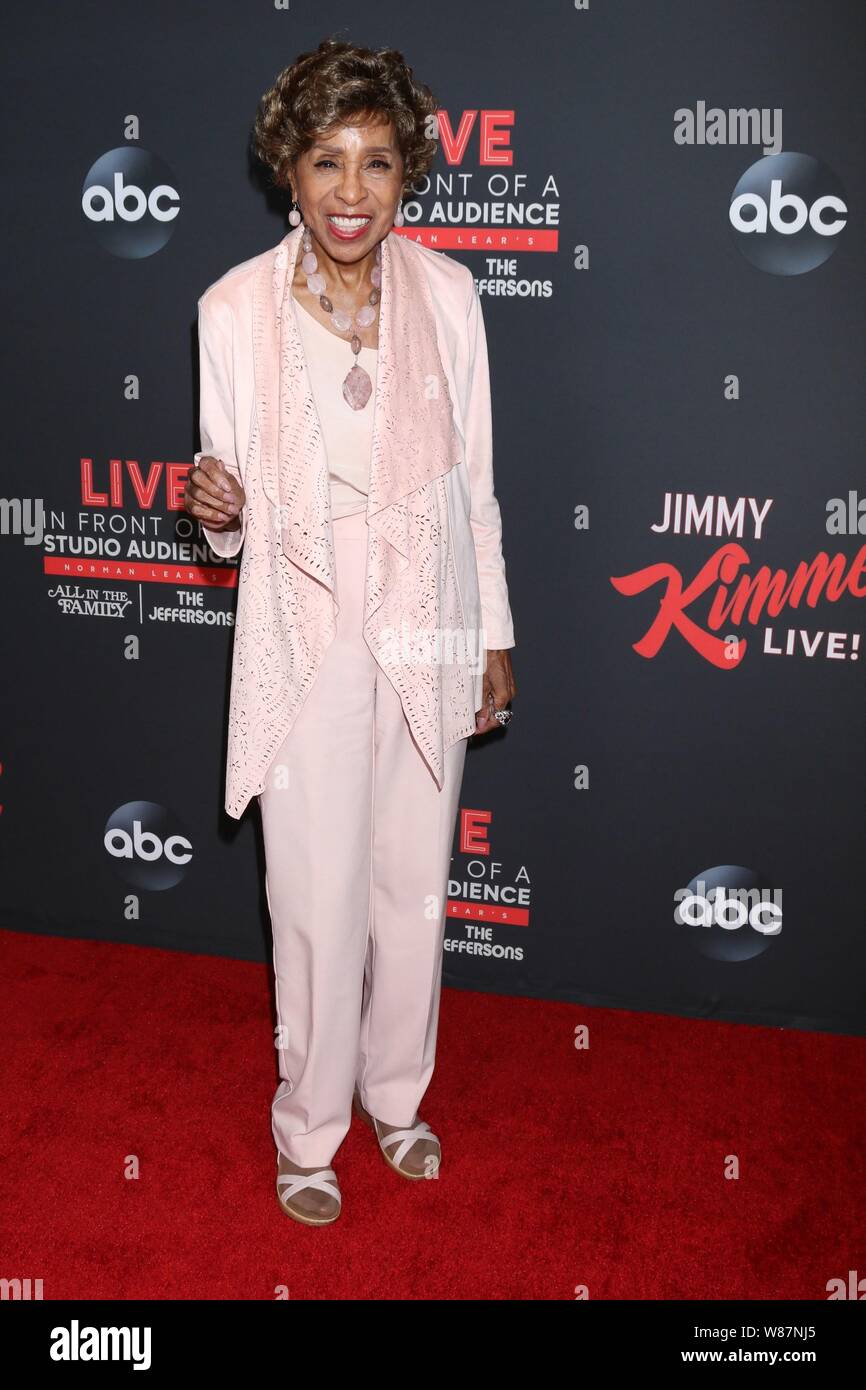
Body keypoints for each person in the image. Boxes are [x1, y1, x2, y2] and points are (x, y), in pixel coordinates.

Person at [184, 37, 516, 1226]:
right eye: (325, 160)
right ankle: (309, 1128)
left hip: (425, 615)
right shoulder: (230, 308)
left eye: (376, 162)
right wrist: (215, 508)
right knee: (314, 894)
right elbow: (226, 499)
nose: (349, 191)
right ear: (287, 167)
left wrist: (492, 629)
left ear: (407, 174)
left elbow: (471, 483)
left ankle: (396, 1097)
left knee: (411, 884)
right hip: (307, 618)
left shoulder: (451, 294)